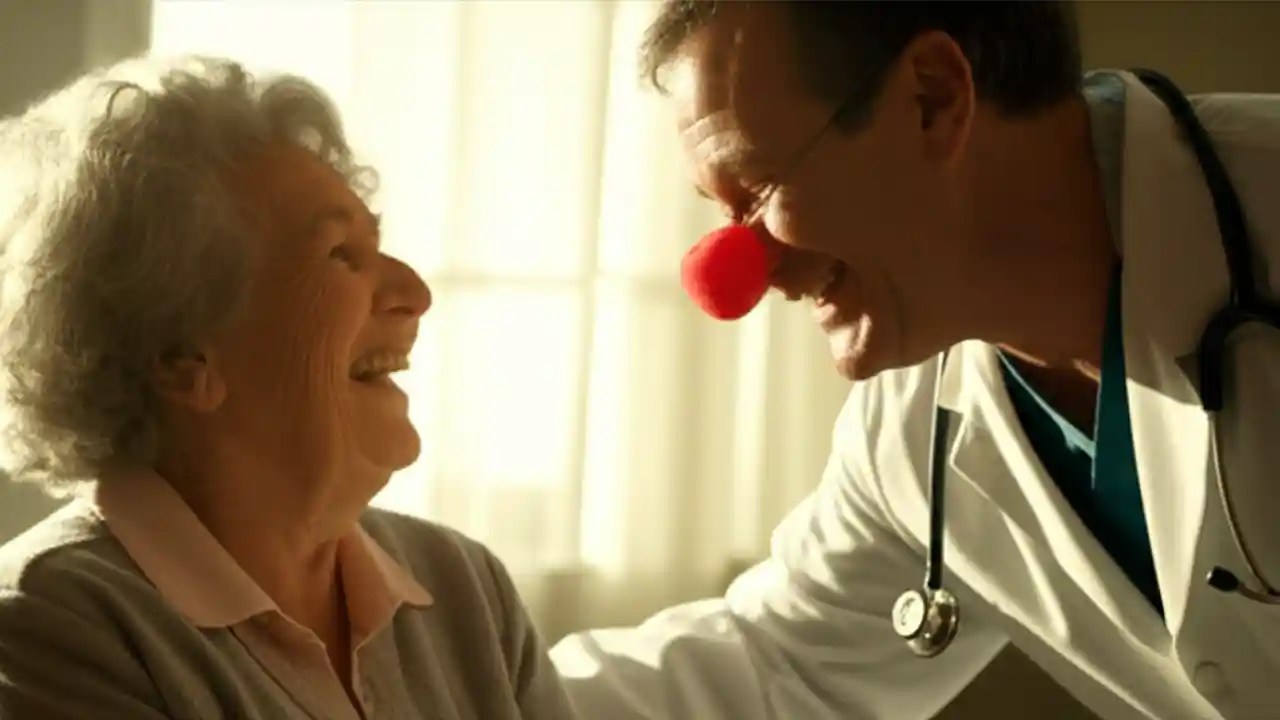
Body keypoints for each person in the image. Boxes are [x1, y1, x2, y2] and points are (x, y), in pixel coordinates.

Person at [550, 1, 1280, 718]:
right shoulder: (913, 422)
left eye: (759, 187)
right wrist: (457, 669)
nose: (739, 276)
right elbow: (775, 667)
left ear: (932, 98)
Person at [0, 55, 573, 720]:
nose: (414, 294)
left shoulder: (464, 584)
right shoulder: (49, 625)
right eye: (339, 256)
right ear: (182, 354)